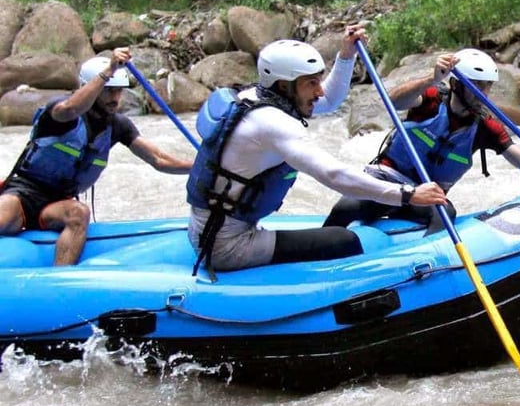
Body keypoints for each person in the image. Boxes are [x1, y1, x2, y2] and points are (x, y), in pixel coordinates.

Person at [186, 34, 448, 274]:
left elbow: (330, 101)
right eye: (311, 83)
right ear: (284, 86)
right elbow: (333, 175)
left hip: (209, 230)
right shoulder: (274, 124)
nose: (319, 90)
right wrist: (408, 195)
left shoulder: (254, 96)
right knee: (342, 241)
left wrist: (346, 55)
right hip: (227, 246)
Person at [323, 48, 520, 233]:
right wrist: (431, 78)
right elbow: (393, 101)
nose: (483, 94)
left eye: (487, 86)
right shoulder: (431, 101)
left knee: (445, 212)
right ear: (456, 83)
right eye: (476, 85)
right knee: (347, 207)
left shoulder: (484, 127)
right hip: (386, 181)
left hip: (425, 196)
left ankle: (427, 267)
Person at [0, 48, 193, 266]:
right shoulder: (59, 112)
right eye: (109, 90)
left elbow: (159, 160)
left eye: (119, 91)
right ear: (90, 87)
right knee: (4, 217)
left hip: (57, 202)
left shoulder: (118, 125)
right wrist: (109, 70)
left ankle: (59, 281)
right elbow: (72, 108)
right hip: (24, 192)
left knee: (79, 213)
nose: (116, 98)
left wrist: (198, 166)